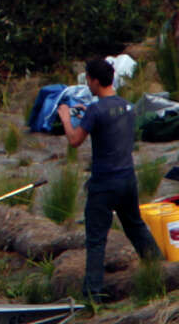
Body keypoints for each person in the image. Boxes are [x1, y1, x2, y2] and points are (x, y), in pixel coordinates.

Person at [56, 58, 161, 302]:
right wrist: (86, 118)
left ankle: (93, 295)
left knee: (96, 239)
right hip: (127, 178)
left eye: (87, 79)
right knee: (135, 226)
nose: (87, 84)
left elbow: (74, 140)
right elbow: (110, 126)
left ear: (94, 80)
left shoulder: (95, 110)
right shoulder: (127, 106)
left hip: (104, 184)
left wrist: (65, 117)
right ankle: (159, 268)